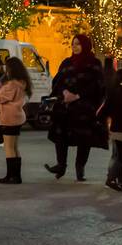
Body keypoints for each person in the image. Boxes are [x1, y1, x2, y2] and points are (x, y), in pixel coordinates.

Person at [45, 34, 105, 182]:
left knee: (83, 138)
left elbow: (97, 85)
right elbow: (58, 81)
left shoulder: (94, 63)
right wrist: (65, 93)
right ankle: (61, 165)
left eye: (78, 44)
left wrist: (78, 96)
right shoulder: (67, 62)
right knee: (61, 135)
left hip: (84, 108)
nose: (75, 47)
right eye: (73, 44)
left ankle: (80, 167)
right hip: (65, 106)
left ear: (85, 45)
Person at [0, 56, 30, 184]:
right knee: (14, 147)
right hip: (17, 117)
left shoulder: (12, 85)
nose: (6, 70)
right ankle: (16, 176)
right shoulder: (21, 83)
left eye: (7, 68)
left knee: (9, 147)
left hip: (9, 118)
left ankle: (11, 176)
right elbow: (4, 92)